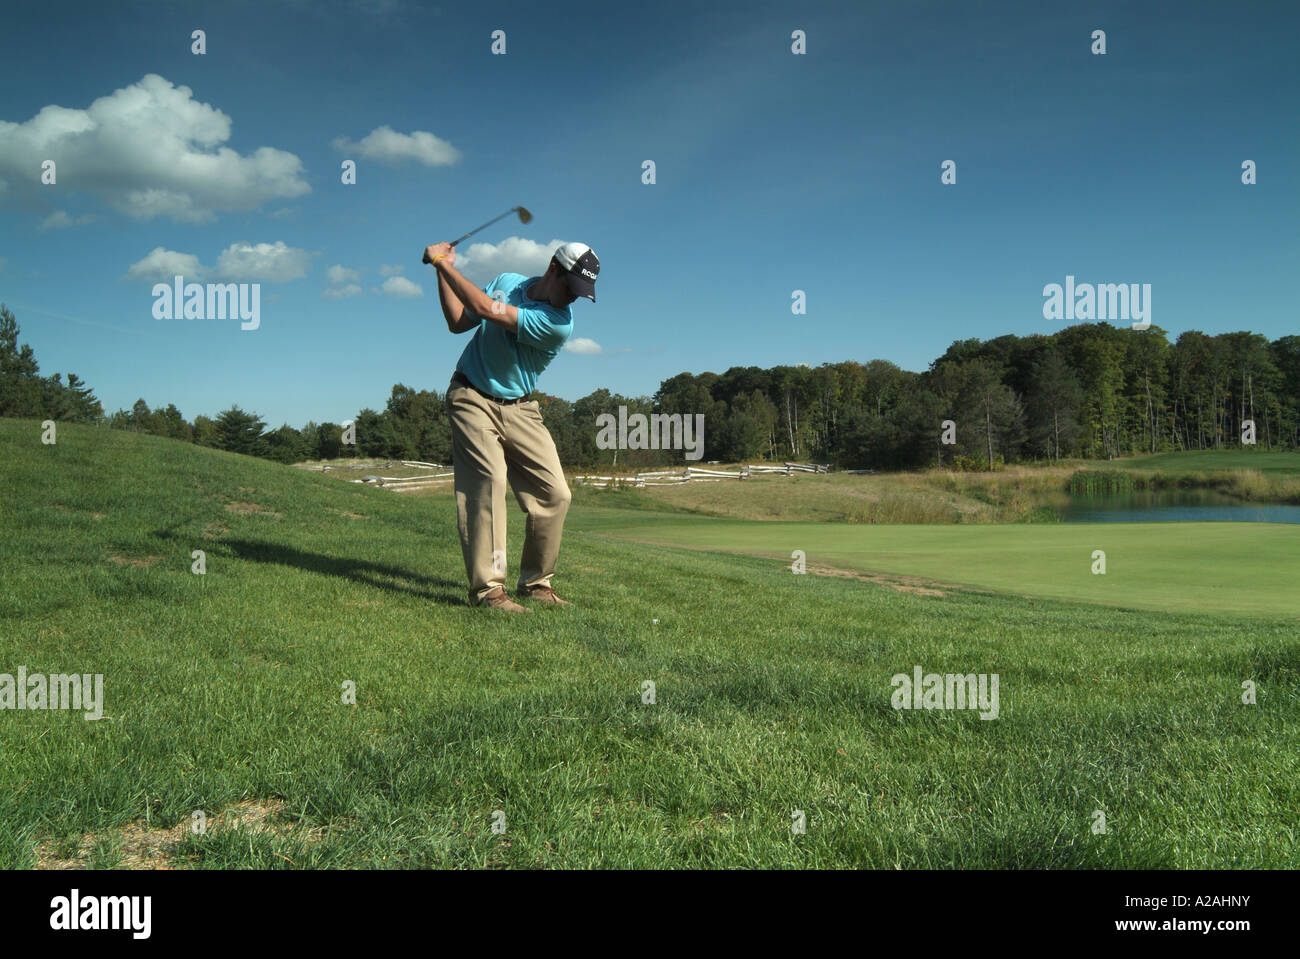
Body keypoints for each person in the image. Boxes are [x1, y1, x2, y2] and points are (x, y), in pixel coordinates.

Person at [423, 239, 600, 612]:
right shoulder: (508, 280)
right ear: (554, 268)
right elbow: (459, 322)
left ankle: (536, 583)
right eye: (572, 287)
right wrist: (442, 269)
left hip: (521, 409)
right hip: (471, 396)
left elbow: (485, 308)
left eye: (581, 294)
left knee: (555, 494)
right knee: (489, 481)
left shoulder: (558, 323)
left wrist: (443, 262)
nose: (573, 299)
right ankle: (489, 591)